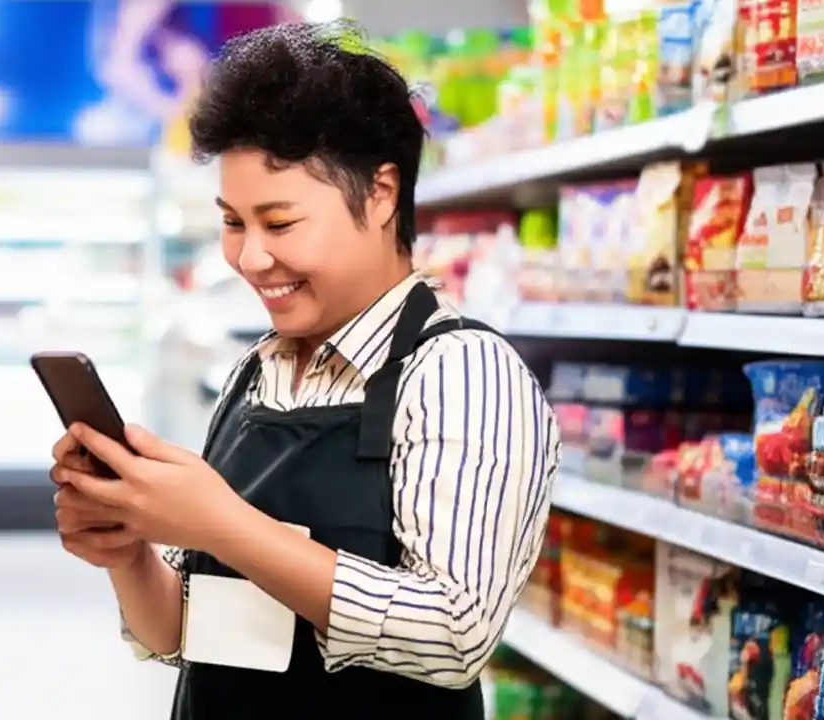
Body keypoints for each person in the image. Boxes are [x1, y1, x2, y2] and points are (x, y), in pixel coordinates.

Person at [49, 20, 560, 719]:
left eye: (280, 223)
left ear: (381, 194)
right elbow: (192, 636)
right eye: (234, 223)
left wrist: (220, 523)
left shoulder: (462, 373)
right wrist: (130, 554)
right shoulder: (255, 376)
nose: (250, 258)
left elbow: (453, 634)